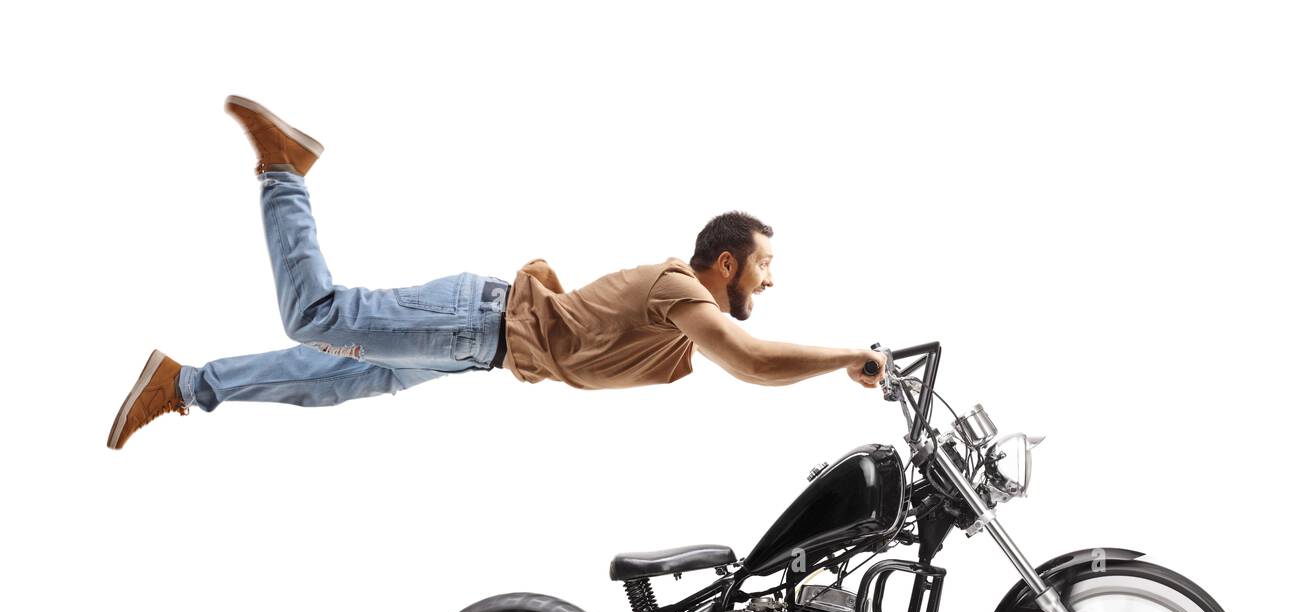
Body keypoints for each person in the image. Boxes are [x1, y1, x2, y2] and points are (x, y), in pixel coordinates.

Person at [107, 95, 886, 449]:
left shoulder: (682, 321)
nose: (771, 283)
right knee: (316, 319)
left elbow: (744, 361)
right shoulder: (681, 288)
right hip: (474, 324)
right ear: (726, 263)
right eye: (765, 267)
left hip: (476, 344)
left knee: (327, 379)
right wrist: (850, 354)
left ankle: (181, 383)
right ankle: (284, 169)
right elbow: (753, 361)